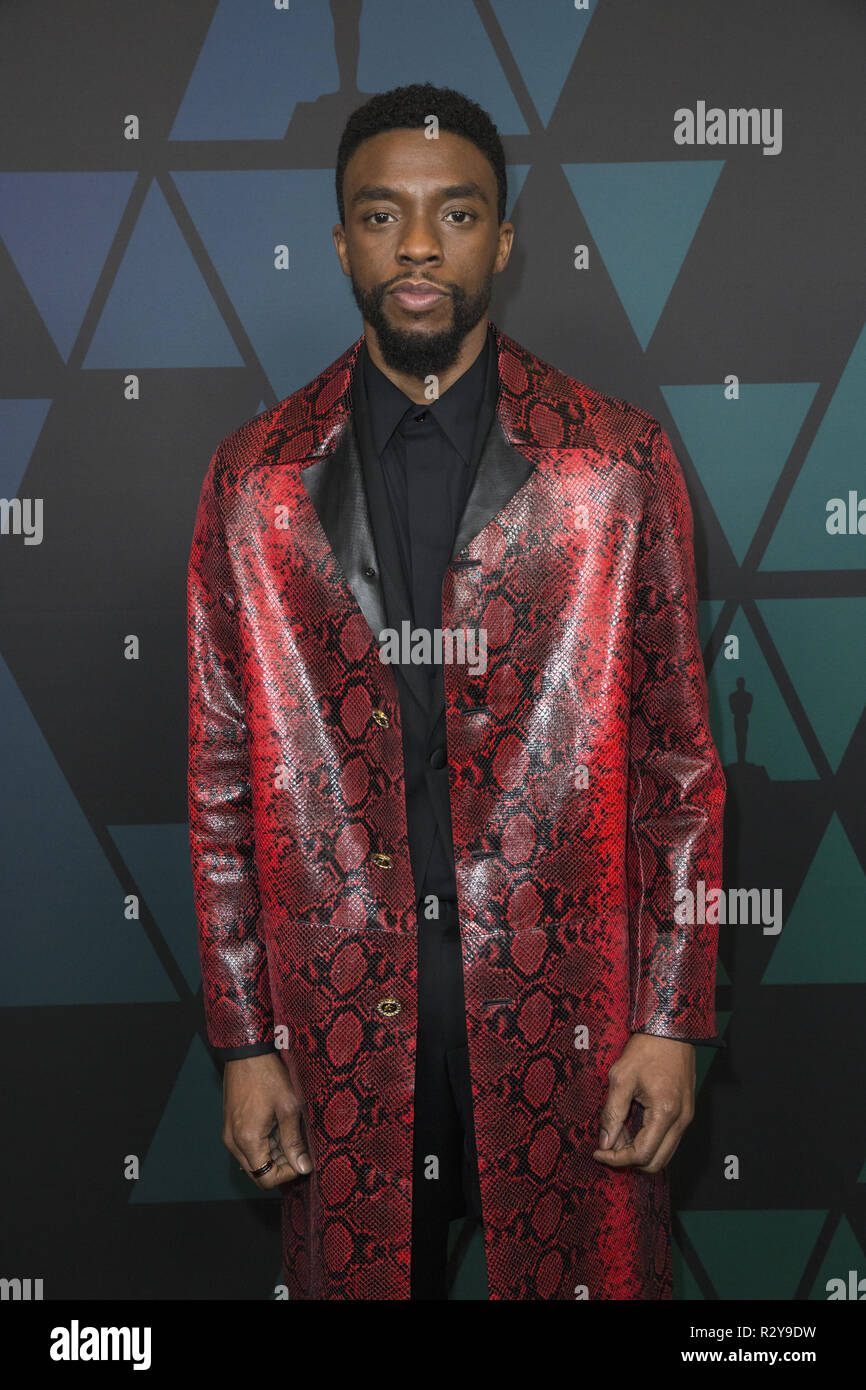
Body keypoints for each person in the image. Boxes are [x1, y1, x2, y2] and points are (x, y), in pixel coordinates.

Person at [187, 82, 726, 1301]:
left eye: (455, 213)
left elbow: (677, 766)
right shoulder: (254, 480)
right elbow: (223, 782)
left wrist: (670, 1016)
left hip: (568, 1020)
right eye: (381, 215)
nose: (418, 245)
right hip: (337, 1032)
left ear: (501, 238)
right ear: (340, 241)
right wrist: (245, 1038)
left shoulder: (614, 465)